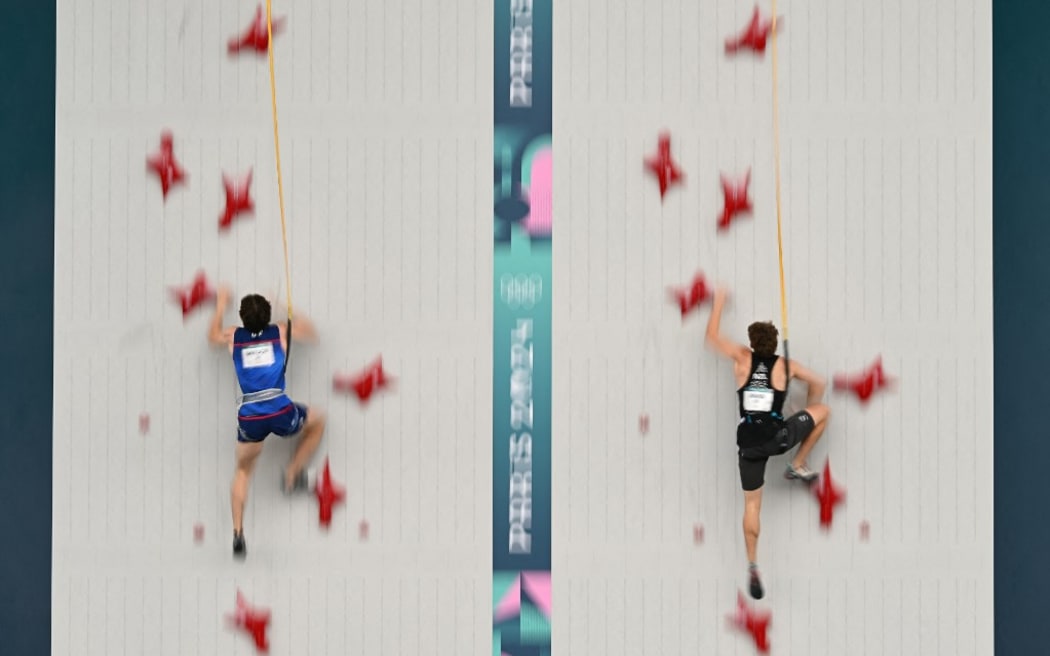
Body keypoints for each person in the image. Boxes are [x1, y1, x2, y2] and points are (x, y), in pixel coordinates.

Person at [704, 286, 830, 599]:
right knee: (823, 411)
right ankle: (797, 464)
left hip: (749, 445)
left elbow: (711, 338)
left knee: (751, 506)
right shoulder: (787, 366)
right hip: (779, 439)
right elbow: (820, 383)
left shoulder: (741, 359)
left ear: (751, 344)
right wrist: (802, 407)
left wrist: (718, 302)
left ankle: (752, 564)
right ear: (774, 345)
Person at [208, 286, 327, 560]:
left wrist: (219, 304)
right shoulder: (281, 333)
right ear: (267, 316)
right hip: (280, 410)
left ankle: (238, 533)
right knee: (318, 422)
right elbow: (311, 332)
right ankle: (292, 475)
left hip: (250, 417)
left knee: (243, 472)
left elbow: (212, 336)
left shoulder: (233, 337)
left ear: (242, 318)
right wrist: (288, 308)